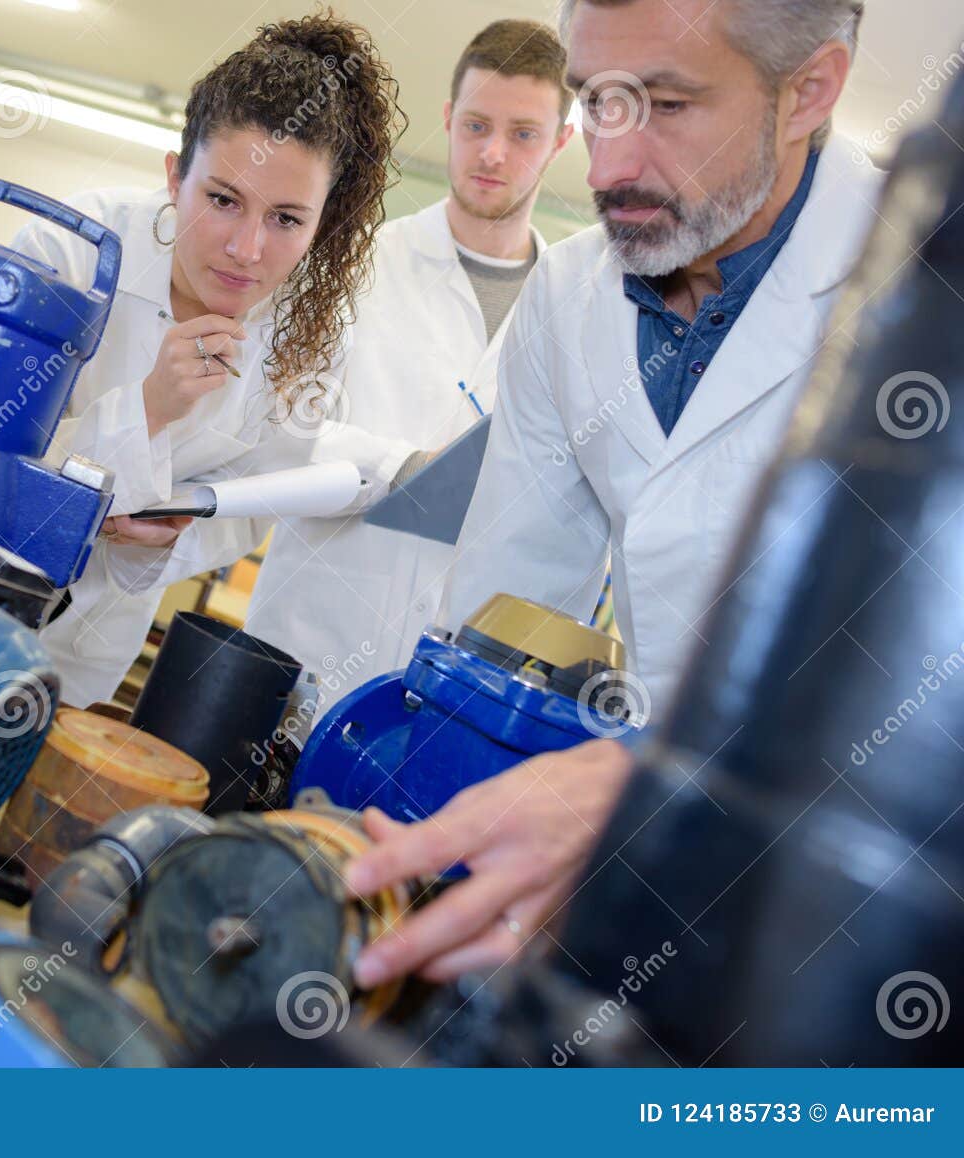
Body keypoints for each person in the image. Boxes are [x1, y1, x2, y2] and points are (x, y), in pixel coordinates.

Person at [346, 0, 877, 987]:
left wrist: (672, 782)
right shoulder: (568, 296)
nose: (604, 170)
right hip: (646, 883)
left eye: (668, 106)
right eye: (595, 103)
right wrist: (436, 818)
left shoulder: (927, 289)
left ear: (807, 89)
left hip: (867, 922)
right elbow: (508, 611)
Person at [11, 14, 405, 709]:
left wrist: (164, 544)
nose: (247, 249)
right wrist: (149, 407)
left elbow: (256, 501)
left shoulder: (307, 339)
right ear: (174, 177)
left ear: (321, 224)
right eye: (223, 200)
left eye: (287, 219)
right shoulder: (68, 253)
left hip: (84, 653)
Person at [243, 20, 574, 712]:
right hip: (309, 663)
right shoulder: (352, 265)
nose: (493, 152)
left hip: (460, 697)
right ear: (449, 119)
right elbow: (271, 431)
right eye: (478, 124)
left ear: (561, 143)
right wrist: (404, 471)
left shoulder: (573, 317)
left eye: (523, 134)